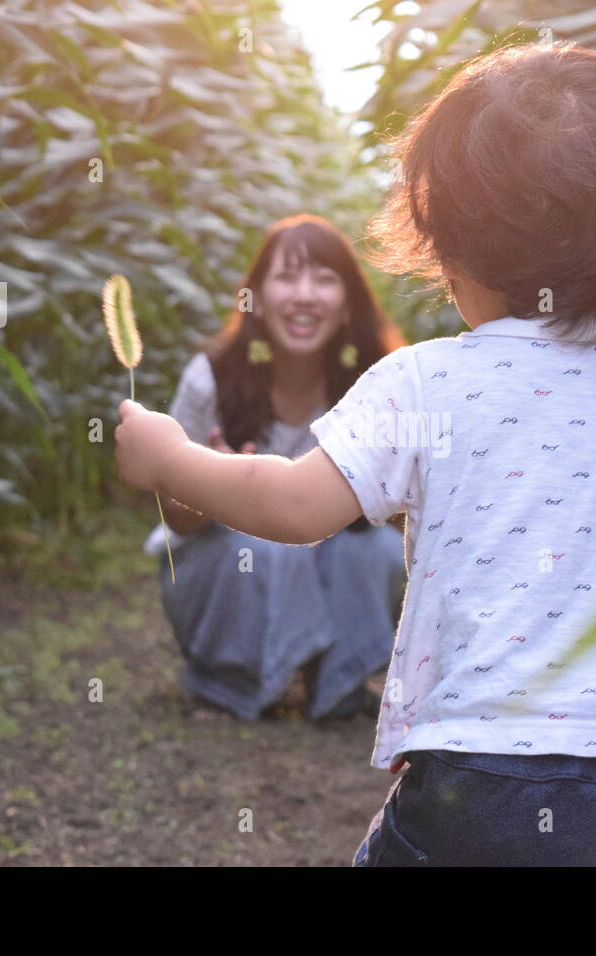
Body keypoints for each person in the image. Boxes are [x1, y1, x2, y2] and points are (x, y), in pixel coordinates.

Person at [116, 43, 596, 866]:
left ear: (451, 239)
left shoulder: (427, 379)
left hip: (480, 773)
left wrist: (168, 455)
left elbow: (296, 507)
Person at [142, 214, 409, 722]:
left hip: (332, 557)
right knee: (258, 548)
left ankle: (339, 682)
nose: (304, 294)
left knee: (377, 550)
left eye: (324, 279)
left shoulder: (376, 383)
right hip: (220, 562)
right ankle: (226, 685)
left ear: (350, 301)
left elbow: (405, 514)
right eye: (287, 277)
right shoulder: (212, 379)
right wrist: (209, 484)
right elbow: (175, 516)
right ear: (256, 298)